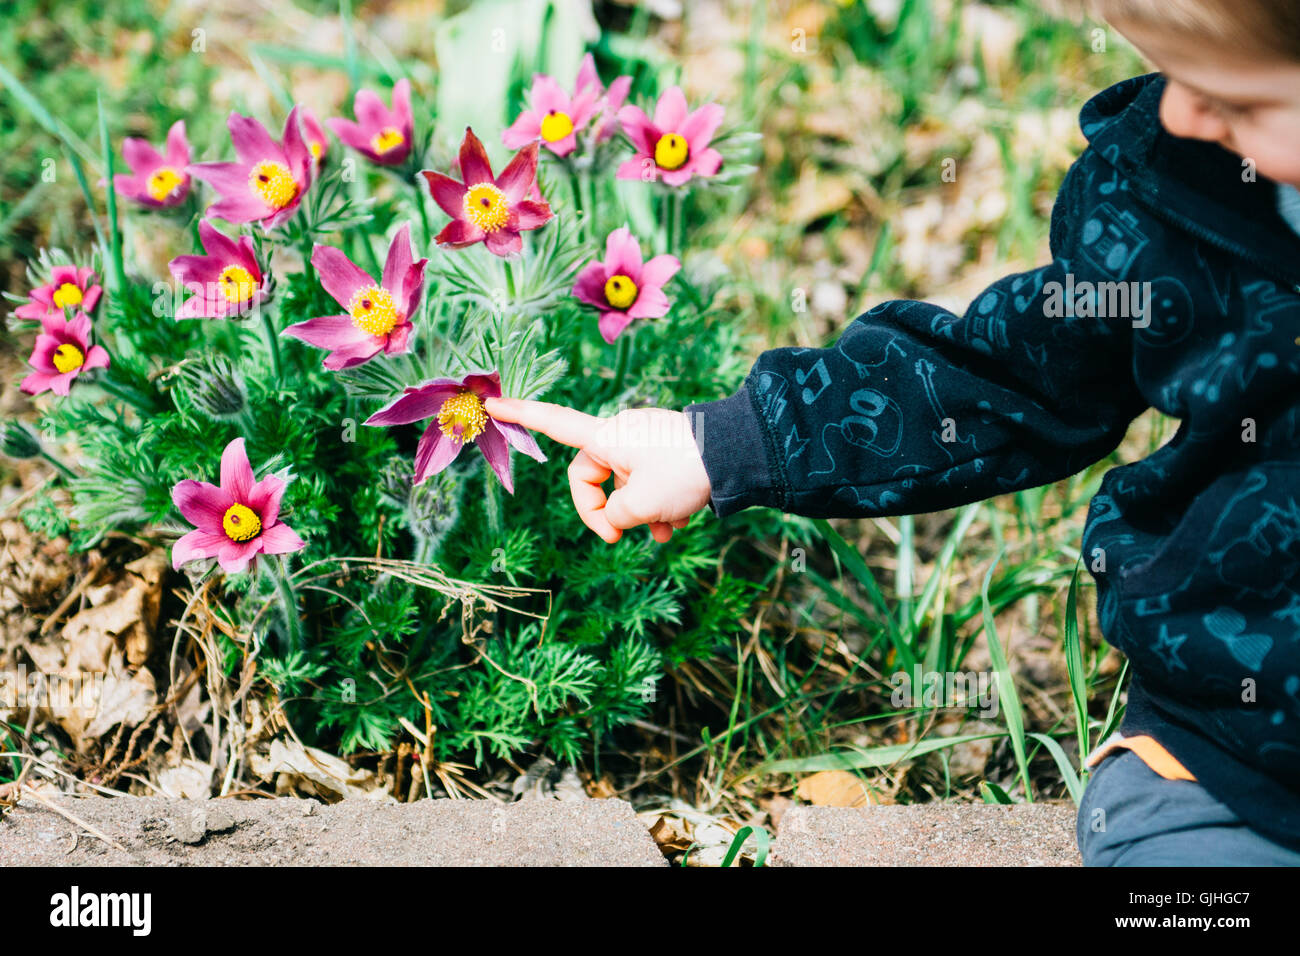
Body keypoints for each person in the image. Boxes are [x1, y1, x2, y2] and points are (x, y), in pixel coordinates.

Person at [486, 0, 1300, 864]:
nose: (1180, 110)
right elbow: (1011, 377)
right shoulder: (1170, 190)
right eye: (1174, 72)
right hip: (1229, 746)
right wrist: (726, 443)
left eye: (1240, 96)